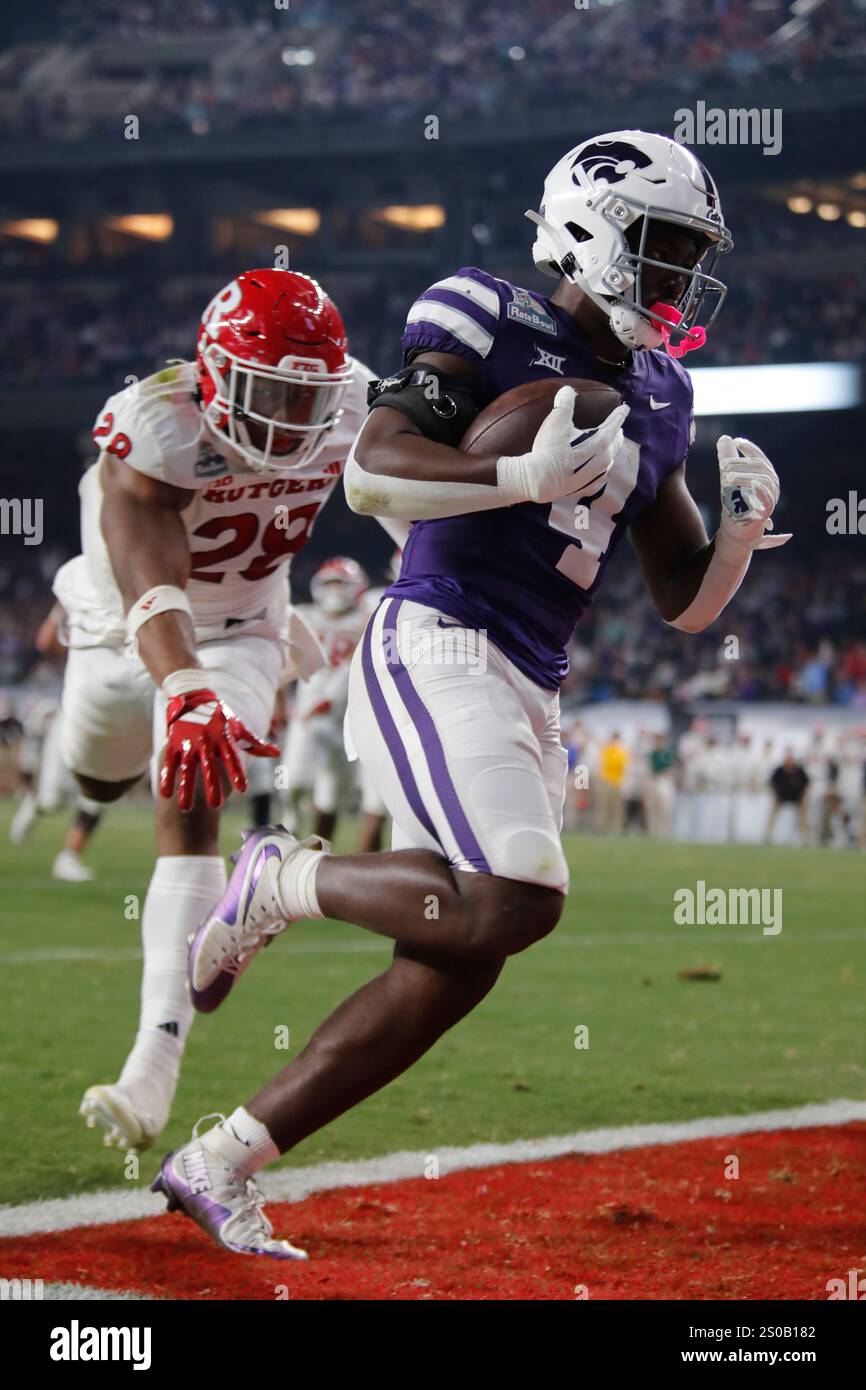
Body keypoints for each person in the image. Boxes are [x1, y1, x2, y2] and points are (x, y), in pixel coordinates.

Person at [156, 130, 790, 1259]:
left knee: (458, 957)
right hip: (438, 638)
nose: (678, 280)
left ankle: (220, 1160)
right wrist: (514, 476)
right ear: (589, 232)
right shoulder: (483, 313)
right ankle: (281, 876)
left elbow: (679, 600)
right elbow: (373, 466)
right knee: (519, 897)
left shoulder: (662, 390)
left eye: (691, 255)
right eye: (661, 249)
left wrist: (735, 541)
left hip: (531, 683)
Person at [54, 268, 374, 1154]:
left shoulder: (359, 405)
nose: (284, 415)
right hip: (127, 613)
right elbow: (154, 577)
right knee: (95, 770)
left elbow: (414, 513)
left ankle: (151, 1065)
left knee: (190, 788)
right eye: (263, 389)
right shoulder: (156, 422)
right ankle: (82, 628)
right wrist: (180, 686)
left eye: (302, 393)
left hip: (242, 624)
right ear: (210, 372)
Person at [280, 556, 389, 852]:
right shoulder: (304, 616)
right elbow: (284, 660)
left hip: (348, 720)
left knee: (330, 799)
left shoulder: (368, 616)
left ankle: (318, 859)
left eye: (340, 583)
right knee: (293, 782)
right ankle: (288, 833)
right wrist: (278, 695)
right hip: (308, 715)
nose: (334, 590)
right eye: (328, 583)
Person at [765, 748, 810, 845]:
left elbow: (806, 785)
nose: (789, 761)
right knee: (772, 813)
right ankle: (767, 837)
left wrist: (803, 798)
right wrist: (775, 797)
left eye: (791, 758)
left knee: (804, 815)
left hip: (797, 798)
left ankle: (806, 839)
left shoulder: (800, 771)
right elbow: (772, 784)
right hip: (781, 797)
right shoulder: (779, 770)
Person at [597, 731, 630, 834]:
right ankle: (602, 828)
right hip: (606, 781)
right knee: (604, 806)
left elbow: (621, 765)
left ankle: (616, 829)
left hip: (617, 782)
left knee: (617, 808)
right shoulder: (607, 750)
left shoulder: (622, 751)